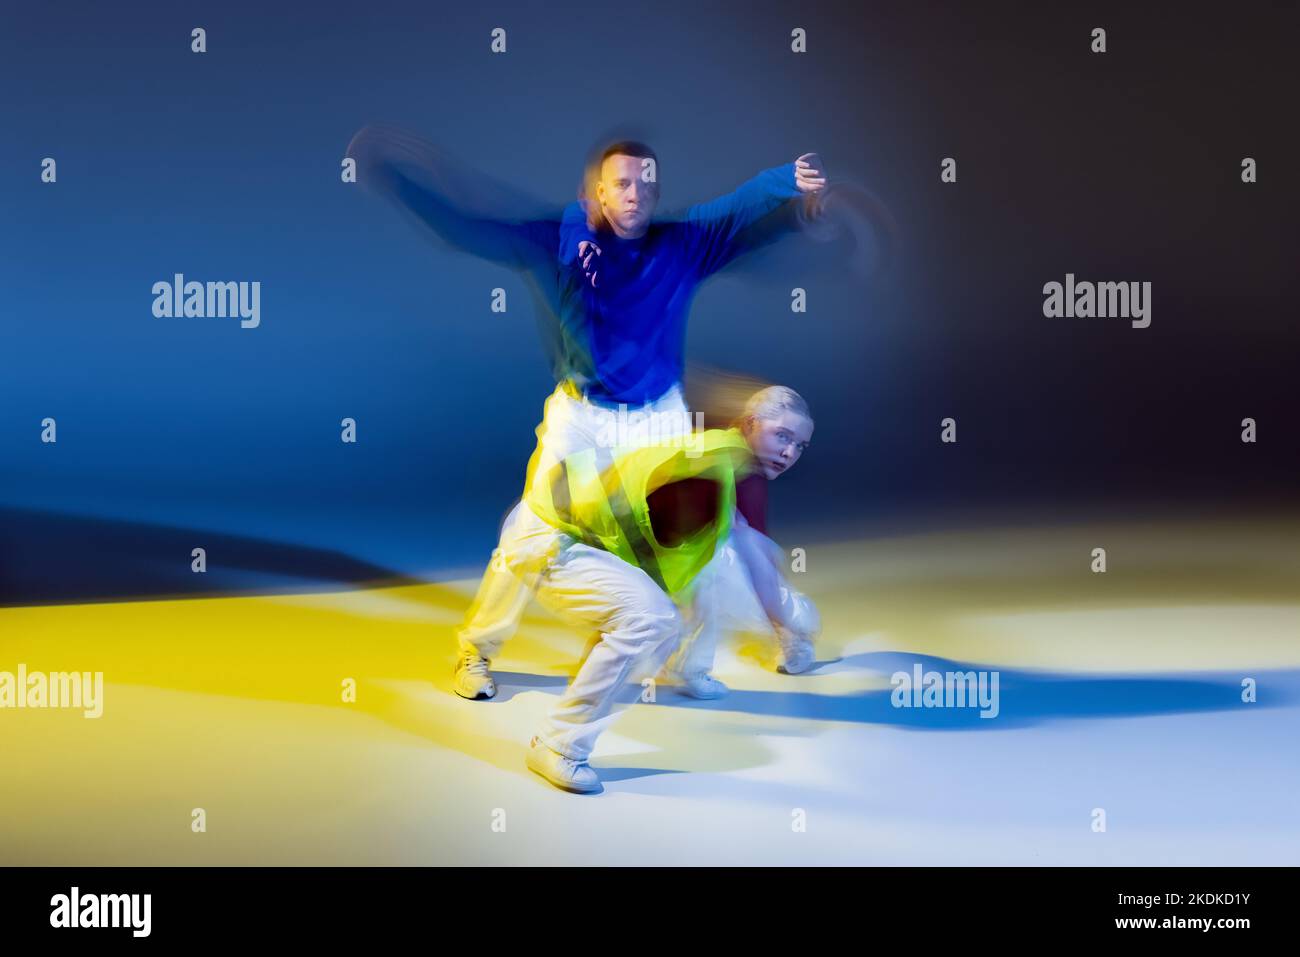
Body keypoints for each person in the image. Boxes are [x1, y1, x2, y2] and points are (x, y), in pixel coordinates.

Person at [346, 124, 829, 700]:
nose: (633, 194)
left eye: (644, 185)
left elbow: (738, 218)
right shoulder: (558, 240)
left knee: (701, 542)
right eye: (620, 184)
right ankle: (476, 649)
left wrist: (791, 194)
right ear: (598, 192)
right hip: (583, 417)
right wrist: (401, 181)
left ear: (654, 192)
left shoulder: (681, 244)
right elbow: (470, 229)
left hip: (659, 420)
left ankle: (689, 664)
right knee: (530, 534)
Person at [514, 385, 816, 793]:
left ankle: (689, 668)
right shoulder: (724, 472)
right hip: (550, 539)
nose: (790, 453)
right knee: (650, 619)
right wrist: (790, 628)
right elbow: (754, 564)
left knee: (703, 571)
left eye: (800, 445)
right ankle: (557, 746)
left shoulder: (723, 458)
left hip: (570, 528)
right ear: (749, 425)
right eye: (782, 436)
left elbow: (729, 549)